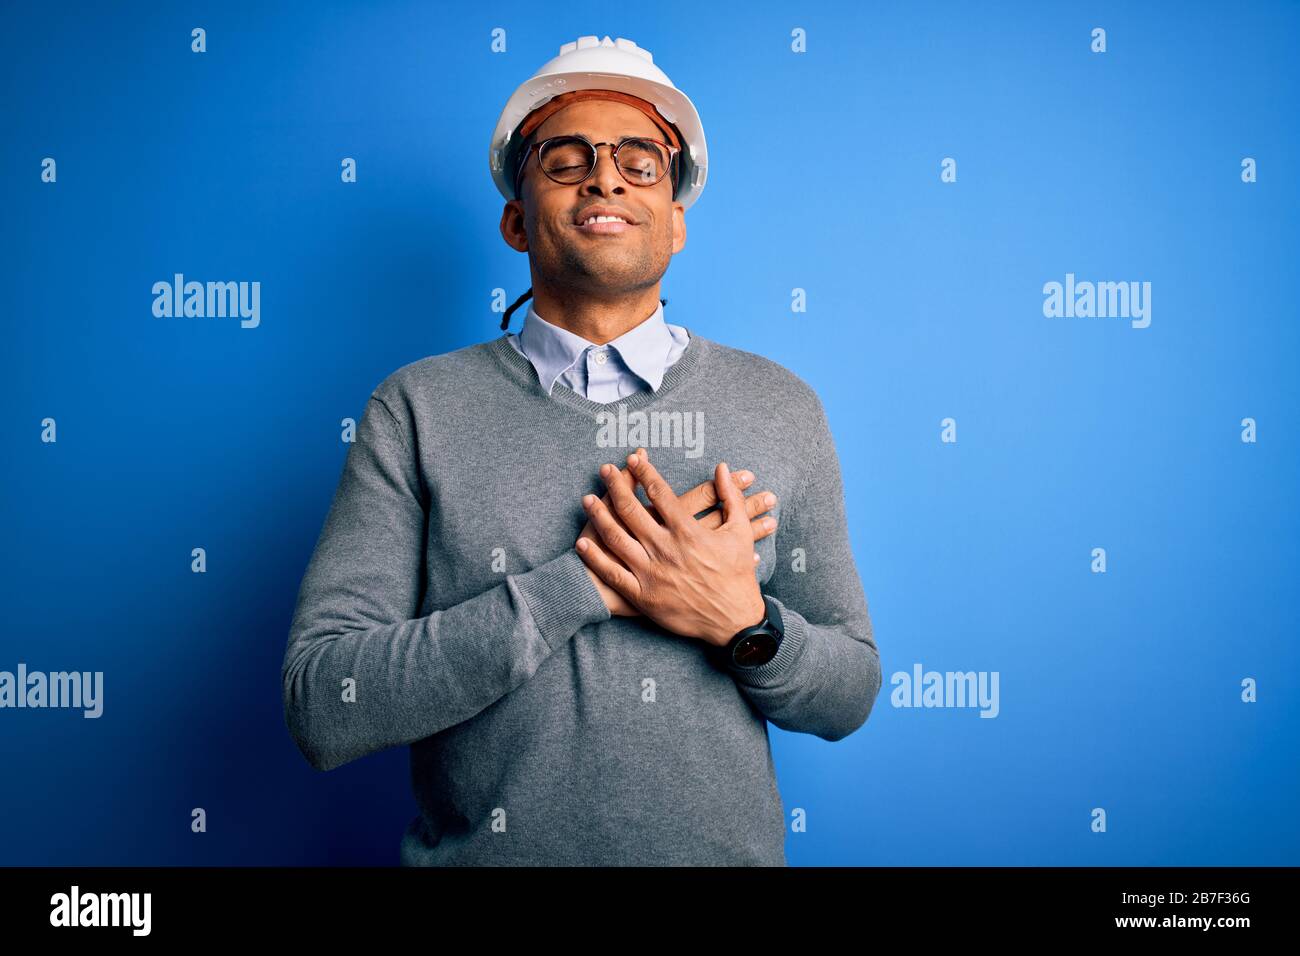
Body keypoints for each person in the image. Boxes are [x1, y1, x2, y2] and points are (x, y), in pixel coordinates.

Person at [282, 35, 881, 866]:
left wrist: (742, 623)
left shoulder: (780, 405)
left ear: (676, 221)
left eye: (641, 161)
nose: (605, 177)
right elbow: (324, 704)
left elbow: (849, 691)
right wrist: (587, 583)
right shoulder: (414, 409)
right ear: (516, 217)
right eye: (566, 159)